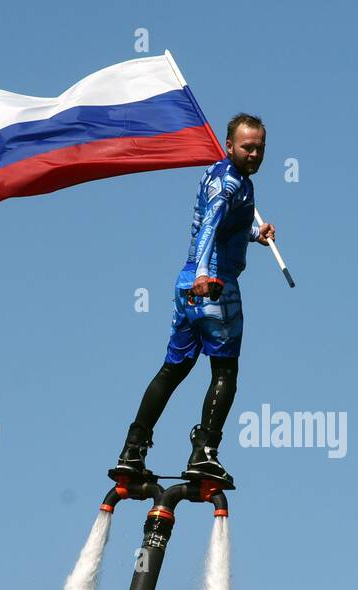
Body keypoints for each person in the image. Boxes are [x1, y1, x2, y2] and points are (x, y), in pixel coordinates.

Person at [111, 113, 275, 487]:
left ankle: (133, 449)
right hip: (213, 285)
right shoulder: (229, 183)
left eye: (260, 148)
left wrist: (255, 234)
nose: (254, 154)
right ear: (229, 145)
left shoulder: (226, 179)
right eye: (247, 147)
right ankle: (205, 452)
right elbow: (210, 227)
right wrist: (205, 276)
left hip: (187, 285)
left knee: (174, 369)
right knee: (225, 371)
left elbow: (225, 226)